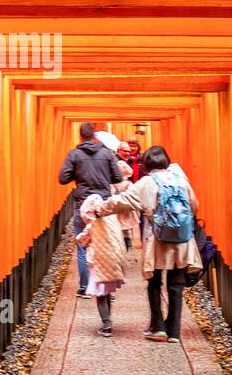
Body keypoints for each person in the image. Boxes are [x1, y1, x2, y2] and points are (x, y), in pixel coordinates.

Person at [102, 145, 202, 343]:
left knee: (154, 282)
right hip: (182, 239)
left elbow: (123, 201)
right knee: (176, 285)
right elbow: (194, 205)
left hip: (157, 238)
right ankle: (174, 331)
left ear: (146, 163)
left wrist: (99, 209)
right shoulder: (180, 179)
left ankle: (158, 327)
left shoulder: (147, 182)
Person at [58, 122, 123, 300]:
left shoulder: (74, 154)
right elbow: (117, 177)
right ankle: (107, 286)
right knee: (106, 244)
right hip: (103, 205)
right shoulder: (107, 153)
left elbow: (63, 178)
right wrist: (103, 176)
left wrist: (77, 173)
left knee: (82, 244)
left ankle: (85, 286)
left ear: (80, 136)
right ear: (94, 135)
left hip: (83, 204)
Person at [74, 193, 126, 336]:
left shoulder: (92, 225)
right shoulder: (112, 219)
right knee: (107, 293)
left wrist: (78, 238)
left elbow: (82, 240)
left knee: (100, 295)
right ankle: (108, 320)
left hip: (98, 264)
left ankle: (106, 323)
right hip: (112, 262)